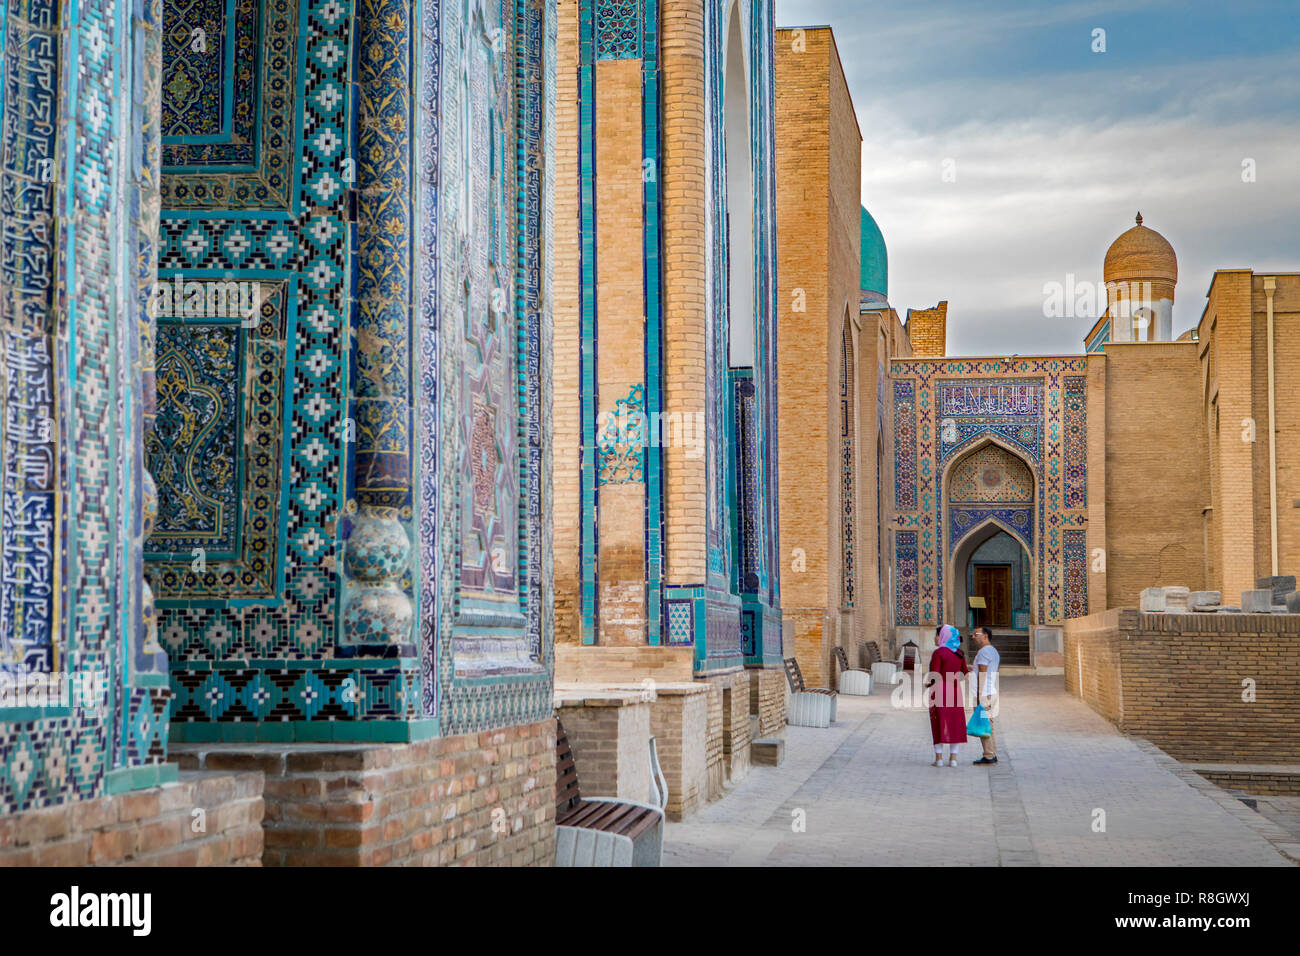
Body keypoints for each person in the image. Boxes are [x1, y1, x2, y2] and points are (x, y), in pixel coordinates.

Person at [925, 624, 968, 767]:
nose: (935, 638)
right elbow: (964, 674)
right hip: (955, 691)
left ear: (943, 636)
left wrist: (928, 684)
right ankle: (953, 759)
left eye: (937, 635)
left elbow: (935, 674)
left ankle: (939, 759)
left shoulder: (939, 653)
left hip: (939, 691)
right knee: (955, 723)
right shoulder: (959, 654)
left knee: (938, 722)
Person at [970, 625, 1001, 765]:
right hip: (991, 692)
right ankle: (992, 753)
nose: (973, 637)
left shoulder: (983, 652)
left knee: (984, 725)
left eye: (976, 634)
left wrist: (978, 696)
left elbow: (982, 673)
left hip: (984, 694)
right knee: (989, 725)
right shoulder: (993, 651)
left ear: (985, 636)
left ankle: (989, 756)